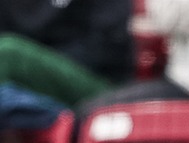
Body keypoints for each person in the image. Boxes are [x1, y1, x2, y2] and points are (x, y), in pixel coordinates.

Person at [0, 0, 133, 108]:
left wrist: (45, 63)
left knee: (7, 53)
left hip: (100, 83)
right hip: (29, 78)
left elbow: (106, 49)